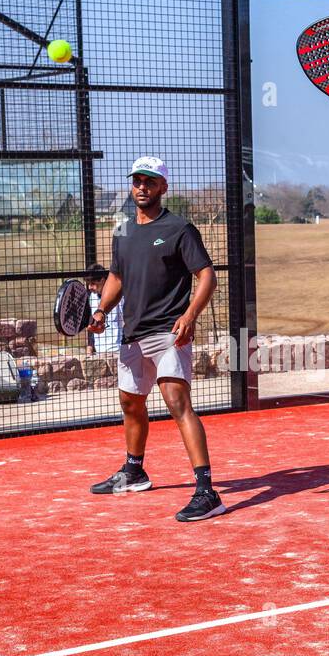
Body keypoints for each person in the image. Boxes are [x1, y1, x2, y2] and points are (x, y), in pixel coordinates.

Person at [88, 156, 226, 522]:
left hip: (168, 332)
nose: (142, 187)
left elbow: (207, 276)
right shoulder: (122, 231)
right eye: (137, 181)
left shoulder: (181, 229)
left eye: (150, 181)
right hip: (132, 333)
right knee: (131, 404)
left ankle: (207, 491)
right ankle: (134, 472)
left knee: (177, 403)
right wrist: (101, 310)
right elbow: (117, 276)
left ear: (163, 187)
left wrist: (189, 315)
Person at [85, 264, 122, 354]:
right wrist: (90, 346)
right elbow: (91, 324)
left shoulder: (118, 297)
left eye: (93, 284)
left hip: (118, 349)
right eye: (88, 284)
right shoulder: (91, 297)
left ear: (102, 280)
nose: (90, 287)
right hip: (100, 351)